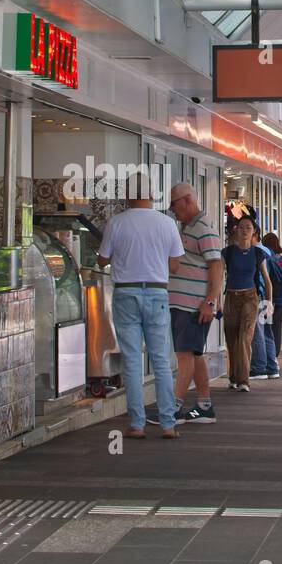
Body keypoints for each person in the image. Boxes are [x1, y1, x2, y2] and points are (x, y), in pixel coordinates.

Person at [96, 173, 185, 439]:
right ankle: (168, 423)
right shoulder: (167, 223)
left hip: (126, 293)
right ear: (152, 195)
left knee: (132, 361)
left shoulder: (116, 223)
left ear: (127, 195)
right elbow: (175, 264)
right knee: (160, 360)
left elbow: (102, 259)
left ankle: (137, 424)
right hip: (157, 293)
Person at [166, 182, 224, 426]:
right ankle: (204, 405)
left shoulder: (203, 228)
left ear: (188, 200)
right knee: (195, 354)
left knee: (185, 355)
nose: (172, 209)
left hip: (192, 305)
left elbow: (216, 265)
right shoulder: (188, 227)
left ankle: (174, 408)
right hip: (185, 303)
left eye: (174, 204)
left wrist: (209, 302)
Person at [221, 215, 271, 392]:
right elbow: (220, 277)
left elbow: (266, 279)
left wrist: (268, 303)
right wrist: (217, 301)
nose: (244, 230)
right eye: (241, 227)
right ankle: (233, 377)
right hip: (230, 297)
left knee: (245, 338)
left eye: (248, 227)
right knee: (231, 338)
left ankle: (244, 380)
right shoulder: (227, 252)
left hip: (250, 297)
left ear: (254, 231)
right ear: (236, 229)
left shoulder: (258, 253)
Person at [250, 227, 281, 381]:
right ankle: (272, 367)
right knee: (267, 333)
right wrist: (270, 301)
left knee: (258, 333)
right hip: (267, 297)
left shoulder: (255, 252)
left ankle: (258, 368)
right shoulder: (267, 250)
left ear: (254, 234)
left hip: (259, 296)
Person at [261, 231, 282, 372]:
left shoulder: (267, 258)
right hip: (280, 299)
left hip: (268, 300)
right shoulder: (280, 259)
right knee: (276, 328)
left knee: (265, 329)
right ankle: (275, 356)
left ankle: (269, 358)